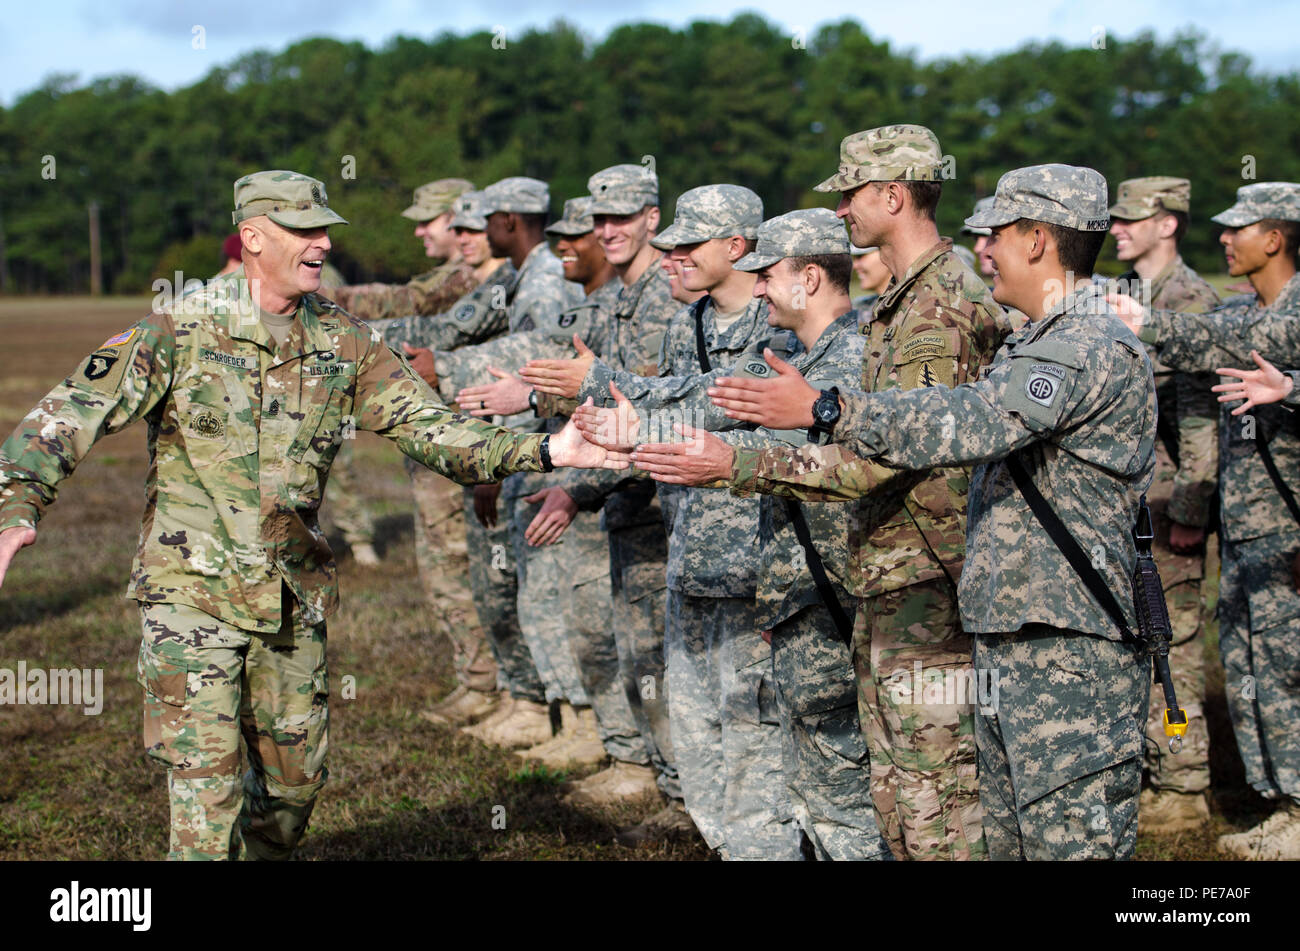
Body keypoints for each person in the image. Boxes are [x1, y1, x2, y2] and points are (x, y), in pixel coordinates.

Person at [0, 170, 609, 860]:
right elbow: (67, 413)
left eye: (325, 229)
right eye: (304, 230)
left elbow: (436, 431)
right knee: (207, 790)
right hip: (190, 592)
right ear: (253, 237)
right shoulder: (181, 327)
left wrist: (551, 447)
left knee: (293, 793)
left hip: (291, 592)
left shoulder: (344, 341)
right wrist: (16, 506)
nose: (323, 243)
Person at [696, 164, 1157, 860]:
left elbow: (973, 419)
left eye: (996, 235)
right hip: (1015, 636)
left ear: (1037, 240)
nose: (984, 250)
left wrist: (829, 408)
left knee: (1072, 844)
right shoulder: (1036, 339)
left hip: (1071, 649)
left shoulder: (1084, 342)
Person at [577, 208, 887, 859]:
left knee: (833, 796)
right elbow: (704, 399)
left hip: (825, 602)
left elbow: (777, 447)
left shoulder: (851, 361)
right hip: (791, 596)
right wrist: (629, 425)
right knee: (795, 783)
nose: (760, 290)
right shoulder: (793, 356)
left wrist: (690, 450)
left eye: (768, 275)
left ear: (807, 277)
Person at [1112, 181, 1300, 860]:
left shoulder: (1277, 313)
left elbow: (1219, 352)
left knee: (1280, 665)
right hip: (1250, 523)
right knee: (1251, 662)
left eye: (1239, 228)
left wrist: (1292, 390)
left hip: (1286, 527)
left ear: (1274, 237)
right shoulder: (1248, 305)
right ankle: (1279, 799)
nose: (1225, 238)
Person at [1108, 176, 1221, 832]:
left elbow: (1201, 418)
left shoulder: (1189, 300)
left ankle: (1184, 785)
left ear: (1168, 223)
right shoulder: (1126, 294)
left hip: (1168, 504)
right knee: (1139, 641)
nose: (1118, 229)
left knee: (1172, 642)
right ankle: (1150, 768)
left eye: (1131, 219)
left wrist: (1190, 507)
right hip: (1129, 505)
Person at [327, 178, 477, 320]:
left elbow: (406, 302)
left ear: (456, 218)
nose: (418, 232)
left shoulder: (469, 273)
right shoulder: (453, 268)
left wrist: (328, 297)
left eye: (426, 221)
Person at [850, 243, 890, 311]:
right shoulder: (858, 309)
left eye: (860, 256)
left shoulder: (912, 305)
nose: (854, 266)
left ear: (888, 255)